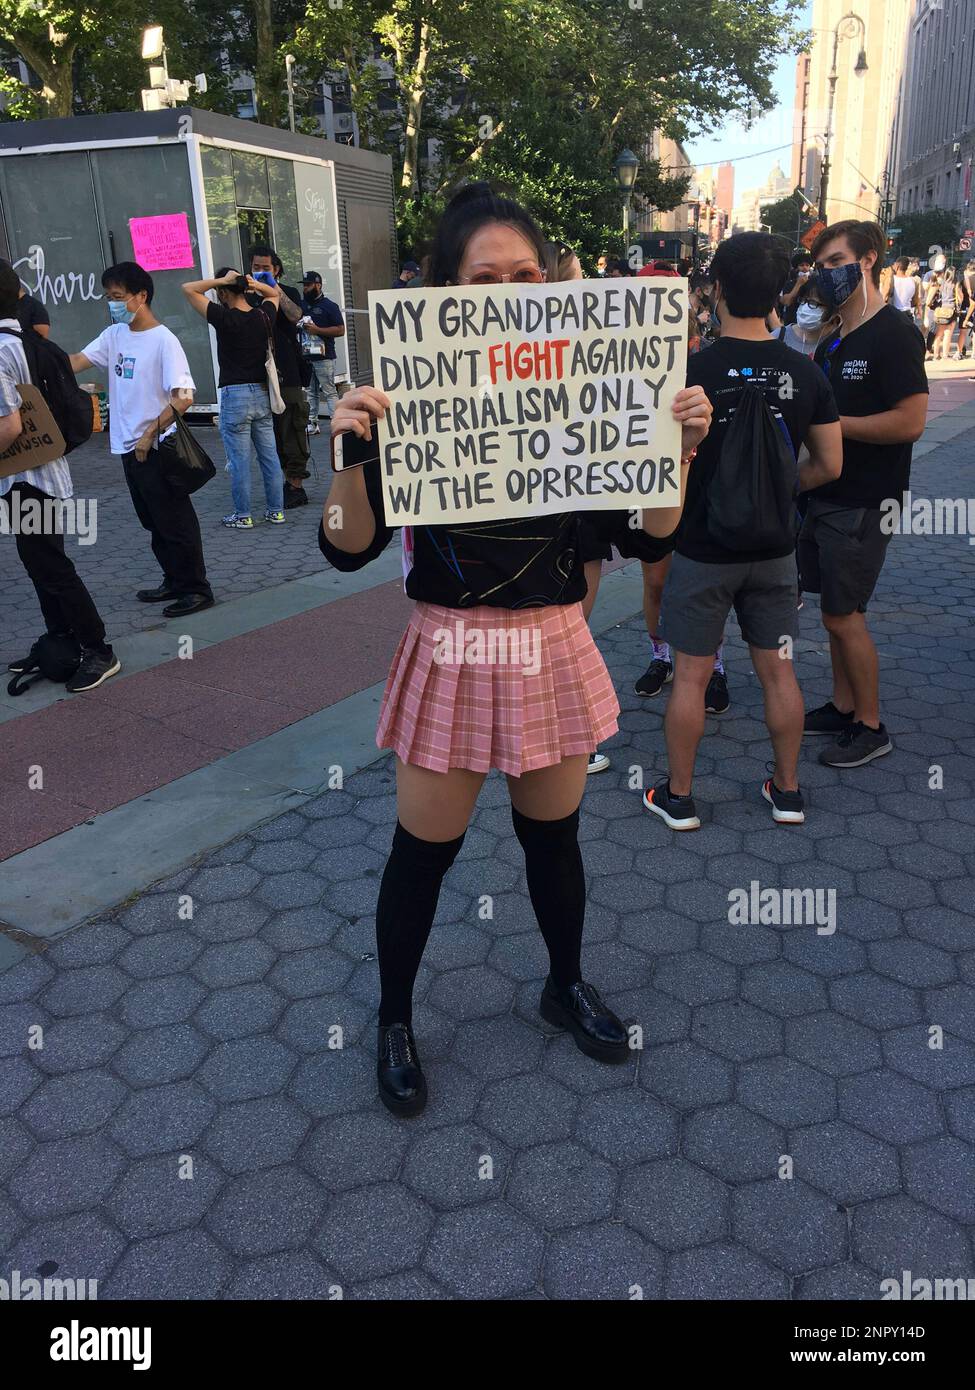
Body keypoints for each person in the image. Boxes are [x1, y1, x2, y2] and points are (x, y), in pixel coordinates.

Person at [319, 182, 712, 1116]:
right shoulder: (402, 405)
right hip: (450, 648)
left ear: (552, 287)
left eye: (526, 275)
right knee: (422, 853)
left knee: (554, 841)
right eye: (483, 277)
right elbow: (343, 547)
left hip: (548, 645)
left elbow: (651, 538)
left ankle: (561, 983)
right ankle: (393, 1017)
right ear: (443, 293)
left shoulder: (586, 396)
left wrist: (678, 449)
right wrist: (348, 454)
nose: (507, 292)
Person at [645, 231, 843, 832]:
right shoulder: (805, 375)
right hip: (776, 552)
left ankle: (679, 798)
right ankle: (786, 791)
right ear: (780, 292)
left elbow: (661, 459)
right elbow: (830, 465)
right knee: (779, 670)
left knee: (692, 675)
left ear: (718, 289)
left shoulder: (688, 371)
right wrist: (780, 490)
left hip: (702, 549)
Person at [800, 219, 928, 767]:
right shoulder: (834, 336)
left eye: (835, 262)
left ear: (868, 259)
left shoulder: (894, 332)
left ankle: (871, 724)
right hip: (826, 494)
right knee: (831, 610)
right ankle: (842, 704)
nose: (825, 274)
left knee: (843, 614)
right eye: (820, 265)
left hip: (866, 499)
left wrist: (834, 425)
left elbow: (911, 422)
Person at [69, 262, 213, 618]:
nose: (112, 304)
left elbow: (183, 397)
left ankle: (196, 589)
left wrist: (149, 433)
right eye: (109, 297)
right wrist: (34, 361)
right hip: (126, 447)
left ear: (141, 296)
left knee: (175, 520)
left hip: (157, 447)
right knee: (152, 520)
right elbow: (78, 361)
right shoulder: (114, 335)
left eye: (117, 297)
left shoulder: (164, 341)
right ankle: (173, 579)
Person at [0, 261, 119, 692]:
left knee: (50, 565)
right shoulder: (29, 342)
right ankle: (60, 640)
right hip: (48, 473)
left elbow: (10, 425)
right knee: (41, 563)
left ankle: (98, 648)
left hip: (22, 479)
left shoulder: (0, 349)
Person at [181, 268, 286, 529]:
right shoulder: (263, 316)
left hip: (234, 394)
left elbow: (188, 289)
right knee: (269, 457)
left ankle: (243, 515)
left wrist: (221, 281)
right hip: (262, 393)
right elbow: (274, 294)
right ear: (245, 289)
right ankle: (276, 511)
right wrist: (253, 285)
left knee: (239, 461)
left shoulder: (223, 317)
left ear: (223, 292)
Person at [247, 247, 311, 506]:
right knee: (268, 432)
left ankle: (295, 485)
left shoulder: (288, 292)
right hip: (256, 372)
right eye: (256, 267)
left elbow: (296, 316)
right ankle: (276, 483)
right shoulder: (246, 294)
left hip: (288, 371)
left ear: (276, 269)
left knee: (292, 427)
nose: (260, 272)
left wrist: (275, 289)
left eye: (266, 268)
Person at [299, 270, 345, 463]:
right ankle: (312, 422)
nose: (305, 288)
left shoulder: (329, 306)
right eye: (304, 285)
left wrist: (317, 330)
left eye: (308, 285)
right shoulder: (302, 305)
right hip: (306, 353)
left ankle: (337, 423)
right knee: (310, 391)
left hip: (325, 356)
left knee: (328, 390)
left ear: (318, 285)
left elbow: (340, 329)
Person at [780, 280, 829, 356]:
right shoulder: (780, 336)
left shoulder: (836, 344)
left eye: (813, 303)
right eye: (803, 300)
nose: (805, 307)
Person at [779, 249, 814, 326]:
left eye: (807, 265)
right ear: (796, 268)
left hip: (809, 323)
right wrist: (798, 284)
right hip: (792, 323)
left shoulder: (814, 283)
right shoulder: (789, 284)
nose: (805, 268)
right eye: (802, 265)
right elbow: (786, 302)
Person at [930, 266, 959, 361]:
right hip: (951, 311)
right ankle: (945, 356)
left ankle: (935, 355)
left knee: (939, 334)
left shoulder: (941, 284)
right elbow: (960, 298)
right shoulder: (955, 285)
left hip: (941, 310)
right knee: (948, 334)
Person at [885, 257, 922, 325]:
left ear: (897, 265)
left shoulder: (891, 279)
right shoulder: (913, 281)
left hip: (894, 315)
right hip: (908, 316)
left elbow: (884, 297)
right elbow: (915, 301)